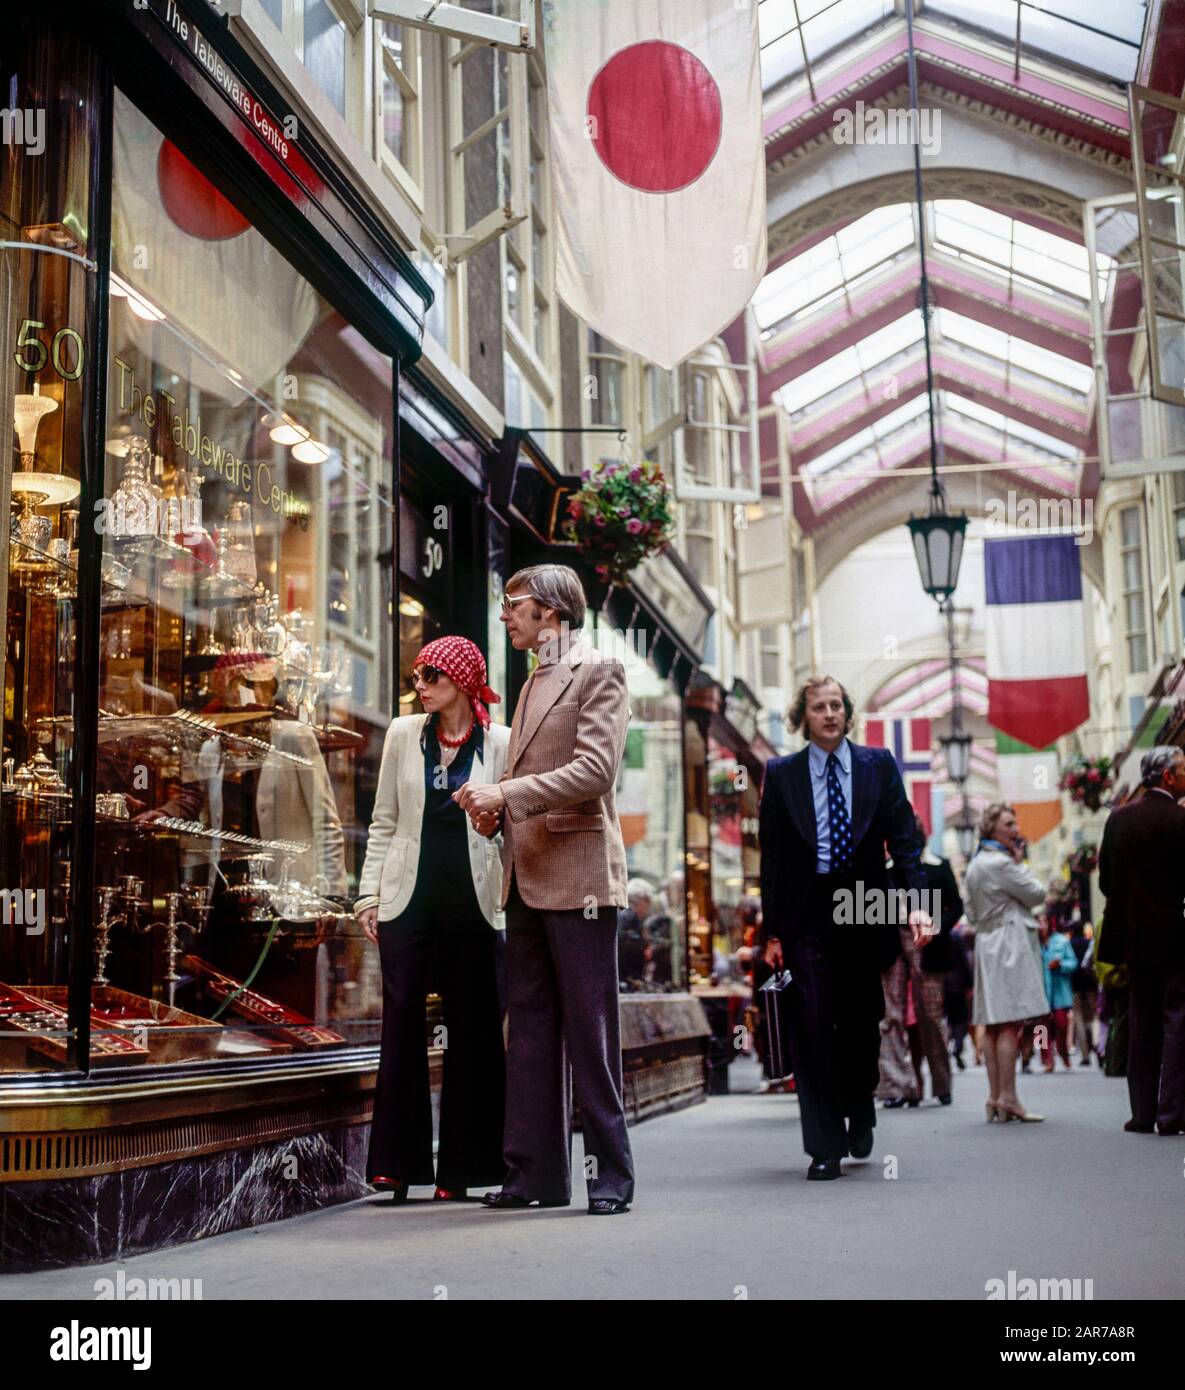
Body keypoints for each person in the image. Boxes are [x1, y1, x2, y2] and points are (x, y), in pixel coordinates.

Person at [454, 564, 635, 1215]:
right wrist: (493, 811)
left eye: (514, 603)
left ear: (551, 610)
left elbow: (594, 770)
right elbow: (532, 779)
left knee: (589, 1033)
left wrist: (504, 792)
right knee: (527, 1034)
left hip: (580, 880)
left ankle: (611, 1175)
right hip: (525, 877)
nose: (505, 614)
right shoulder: (531, 681)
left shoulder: (599, 671)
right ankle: (534, 1176)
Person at [354, 637, 511, 1202]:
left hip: (473, 904)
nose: (420, 685)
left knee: (472, 1028)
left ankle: (463, 1170)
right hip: (407, 901)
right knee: (401, 1023)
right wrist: (368, 897)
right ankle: (395, 1165)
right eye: (417, 675)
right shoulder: (402, 735)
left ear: (464, 683)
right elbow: (384, 823)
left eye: (432, 676)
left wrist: (494, 825)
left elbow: (508, 825)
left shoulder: (499, 743)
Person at [759, 675, 932, 1181]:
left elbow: (904, 841)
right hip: (807, 916)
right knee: (812, 1026)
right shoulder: (781, 773)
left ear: (846, 712)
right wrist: (772, 931)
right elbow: (772, 859)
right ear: (804, 716)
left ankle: (861, 1103)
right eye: (819, 706)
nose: (830, 713)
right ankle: (824, 1146)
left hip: (863, 910)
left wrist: (917, 905)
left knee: (861, 1025)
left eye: (837, 705)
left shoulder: (878, 765)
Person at [1097, 745, 1185, 1136]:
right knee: (1176, 1020)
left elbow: (1104, 881)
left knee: (1142, 1021)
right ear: (1168, 776)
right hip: (1176, 935)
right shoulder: (1180, 820)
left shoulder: (1118, 820)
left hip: (1134, 940)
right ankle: (1172, 1114)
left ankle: (1143, 1112)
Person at [963, 803, 1049, 1123]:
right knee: (1010, 1021)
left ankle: (995, 1097)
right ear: (992, 828)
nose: (1015, 829)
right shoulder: (1001, 863)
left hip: (987, 942)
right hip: (1008, 945)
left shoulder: (974, 865)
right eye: (1009, 823)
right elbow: (1037, 894)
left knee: (993, 1022)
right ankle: (1010, 1098)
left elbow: (970, 913)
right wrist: (1019, 862)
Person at [879, 815, 961, 1108]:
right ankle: (897, 1087)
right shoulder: (886, 870)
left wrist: (936, 927)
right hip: (894, 946)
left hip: (928, 946)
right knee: (891, 1017)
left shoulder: (938, 867)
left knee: (931, 1016)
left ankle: (941, 1084)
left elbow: (956, 905)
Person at [1040, 918, 1077, 1072]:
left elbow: (1073, 962)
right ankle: (1046, 1058)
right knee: (1041, 1028)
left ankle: (1062, 1050)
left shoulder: (1061, 941)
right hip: (1040, 992)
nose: (1040, 926)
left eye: (1043, 922)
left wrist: (1060, 964)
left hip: (1059, 991)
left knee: (1061, 1023)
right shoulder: (1031, 943)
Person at [1068, 918, 1097, 1066]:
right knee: (1093, 1017)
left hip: (1075, 985)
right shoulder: (1089, 943)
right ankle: (1098, 1047)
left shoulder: (1069, 944)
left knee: (1078, 1018)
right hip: (1091, 984)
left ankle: (1085, 1055)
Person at [617, 878, 653, 991]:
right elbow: (627, 950)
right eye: (648, 901)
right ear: (642, 900)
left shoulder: (625, 915)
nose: (649, 906)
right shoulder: (628, 918)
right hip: (627, 981)